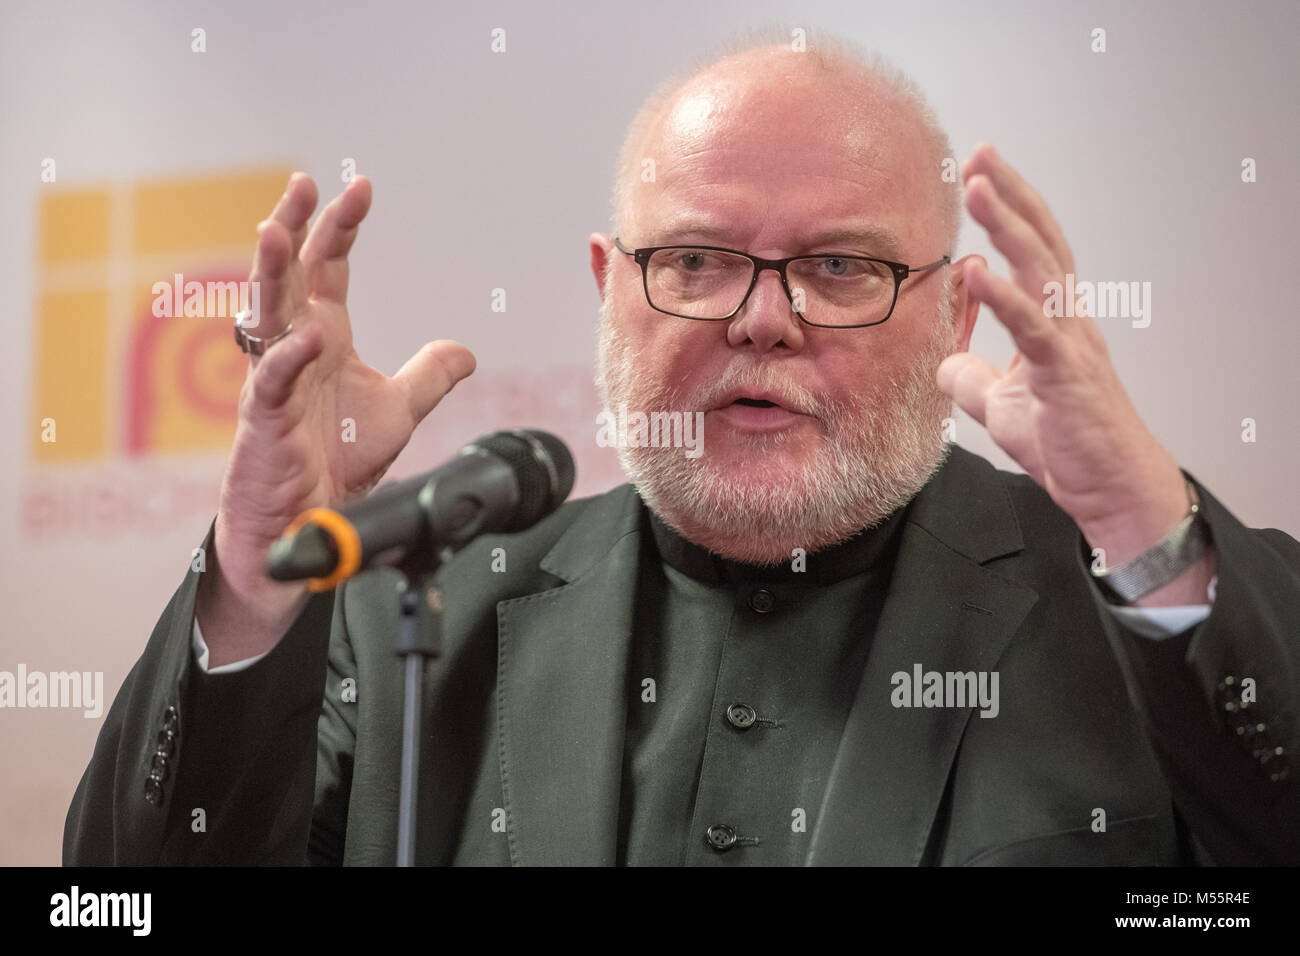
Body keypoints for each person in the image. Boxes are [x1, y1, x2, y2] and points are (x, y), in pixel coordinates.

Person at [65, 34, 1298, 866]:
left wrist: (1152, 536)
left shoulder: (1139, 612)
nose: (764, 318)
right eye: (697, 261)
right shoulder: (413, 614)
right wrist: (255, 566)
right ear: (613, 289)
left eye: (838, 266)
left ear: (954, 310)